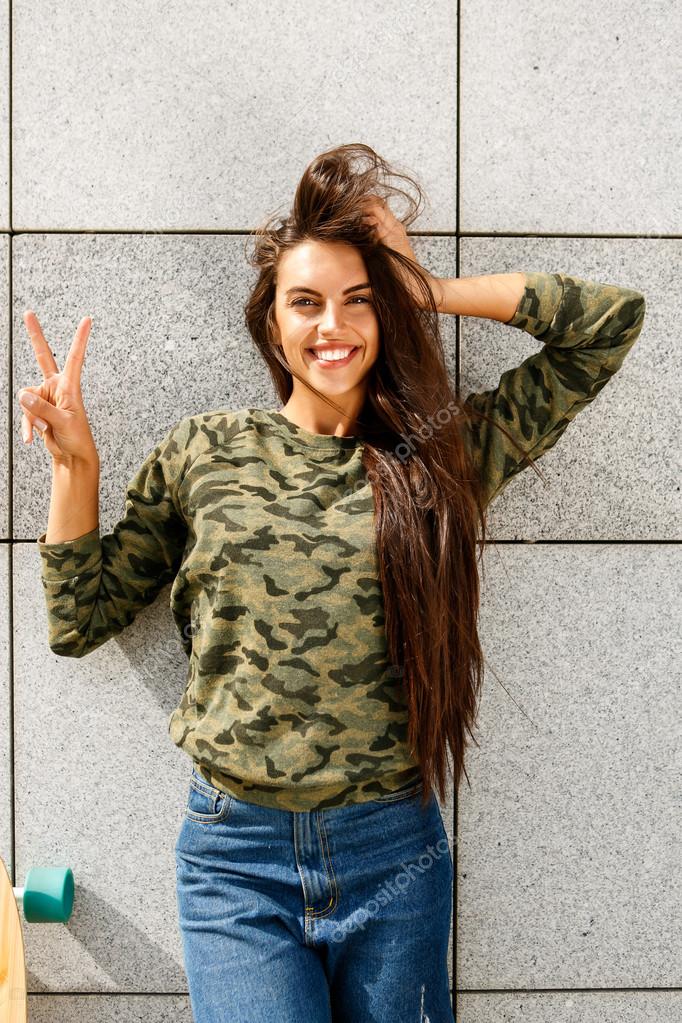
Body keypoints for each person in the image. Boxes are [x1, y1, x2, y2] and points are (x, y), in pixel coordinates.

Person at [19, 143, 646, 1023]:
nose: (332, 325)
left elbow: (610, 322)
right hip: (237, 864)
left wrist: (425, 289)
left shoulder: (435, 457)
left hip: (395, 854)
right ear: (272, 324)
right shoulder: (204, 451)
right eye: (305, 302)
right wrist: (74, 470)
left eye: (359, 301)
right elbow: (78, 617)